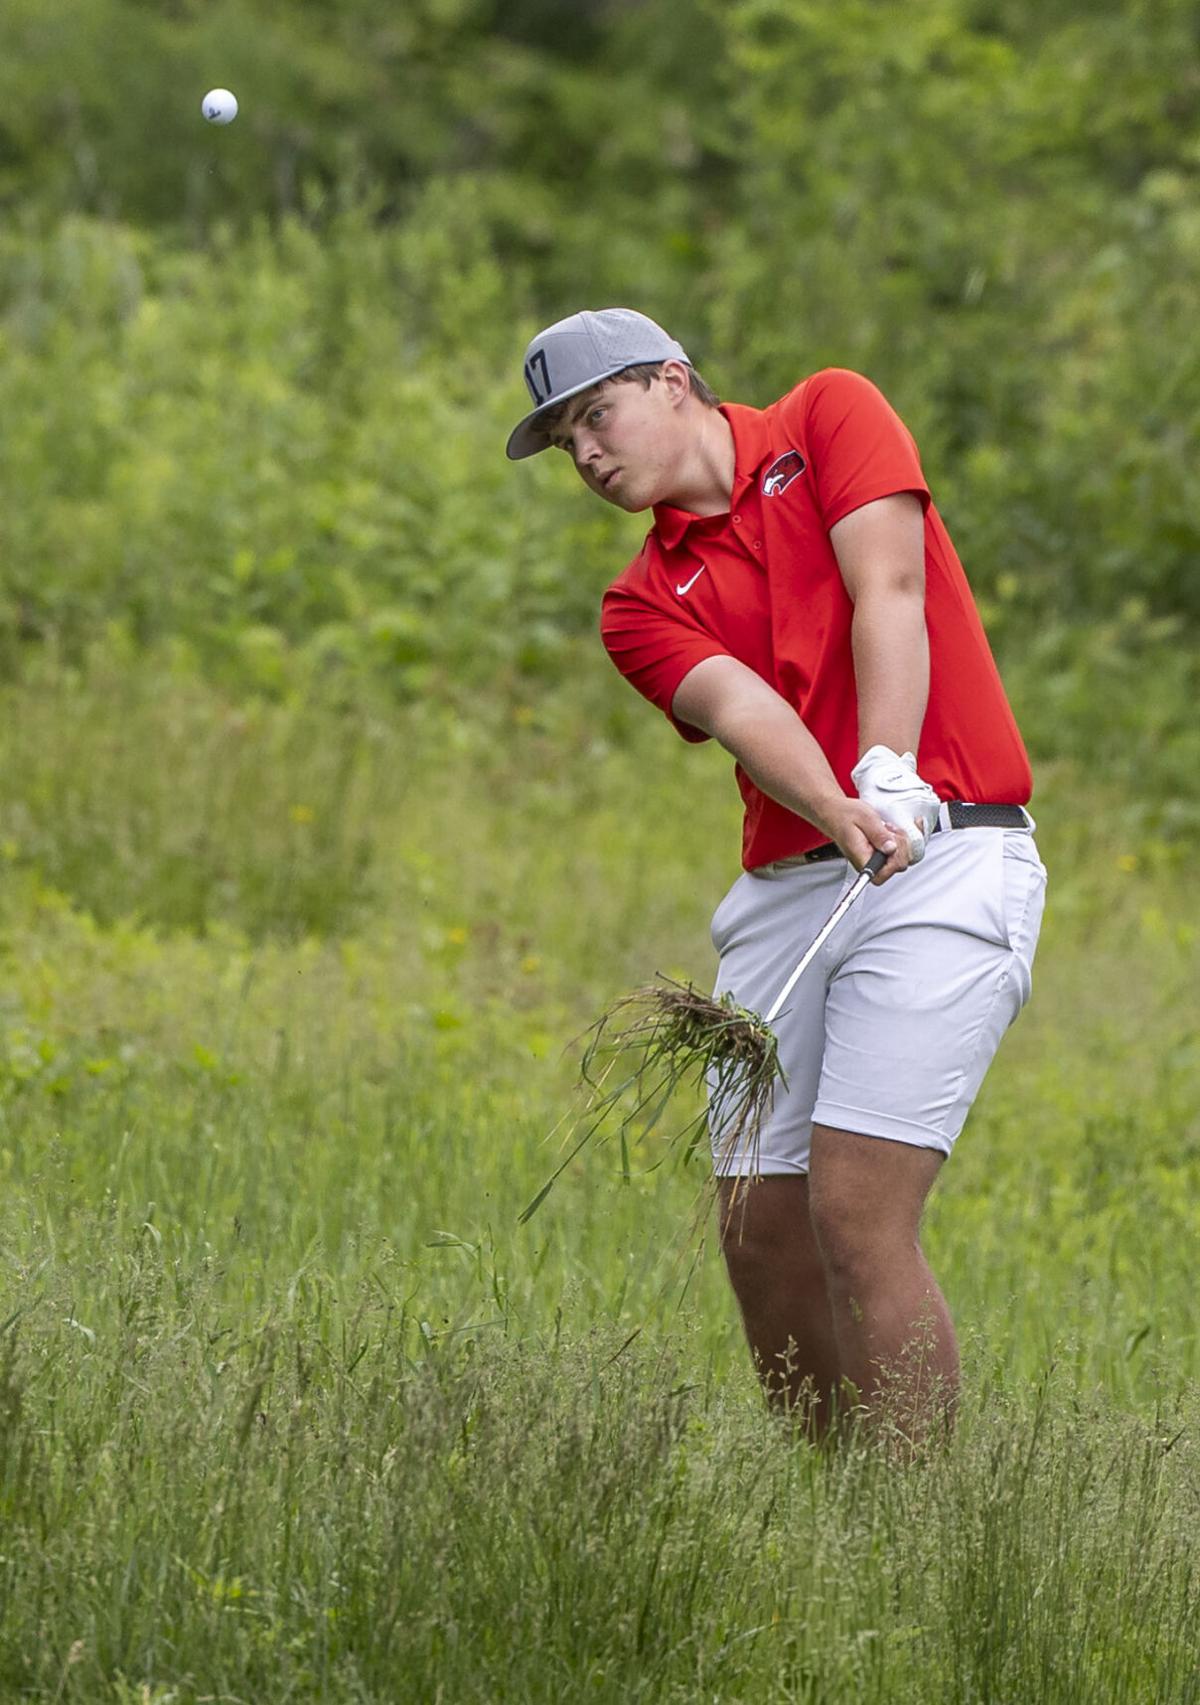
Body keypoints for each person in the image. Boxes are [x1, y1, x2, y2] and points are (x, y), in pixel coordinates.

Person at [506, 308, 1046, 1435]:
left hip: (948, 855)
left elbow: (888, 590)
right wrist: (843, 803)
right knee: (758, 1225)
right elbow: (745, 711)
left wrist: (891, 766)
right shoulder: (638, 604)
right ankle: (833, 1511)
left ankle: (917, 1534)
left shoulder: (829, 414)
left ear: (673, 380)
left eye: (596, 416)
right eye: (566, 444)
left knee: (855, 1211)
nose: (589, 455)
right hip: (794, 885)